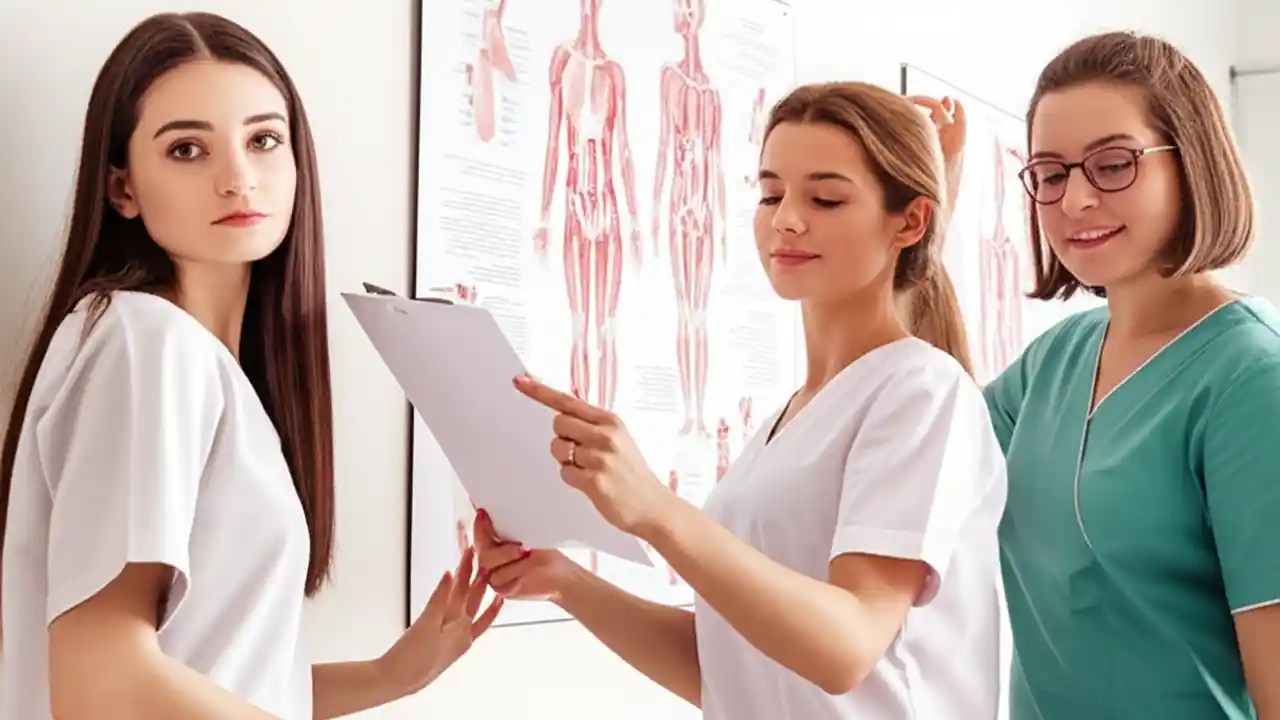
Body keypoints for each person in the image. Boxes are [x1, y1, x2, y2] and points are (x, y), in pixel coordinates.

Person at [0, 12, 500, 719]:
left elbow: (218, 677)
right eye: (187, 150)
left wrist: (390, 675)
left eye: (263, 140)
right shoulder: (147, 343)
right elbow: (103, 682)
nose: (238, 179)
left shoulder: (196, 362)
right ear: (122, 189)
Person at [475, 81, 1008, 719]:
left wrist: (656, 510)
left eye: (826, 198)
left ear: (911, 221)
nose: (787, 219)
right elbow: (728, 670)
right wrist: (564, 581)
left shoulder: (922, 390)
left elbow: (846, 648)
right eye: (772, 194)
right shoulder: (794, 416)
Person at [983, 31, 1280, 719]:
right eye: (1050, 174)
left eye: (1113, 165)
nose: (1075, 200)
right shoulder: (1054, 361)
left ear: (1191, 163)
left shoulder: (1251, 379)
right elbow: (921, 435)